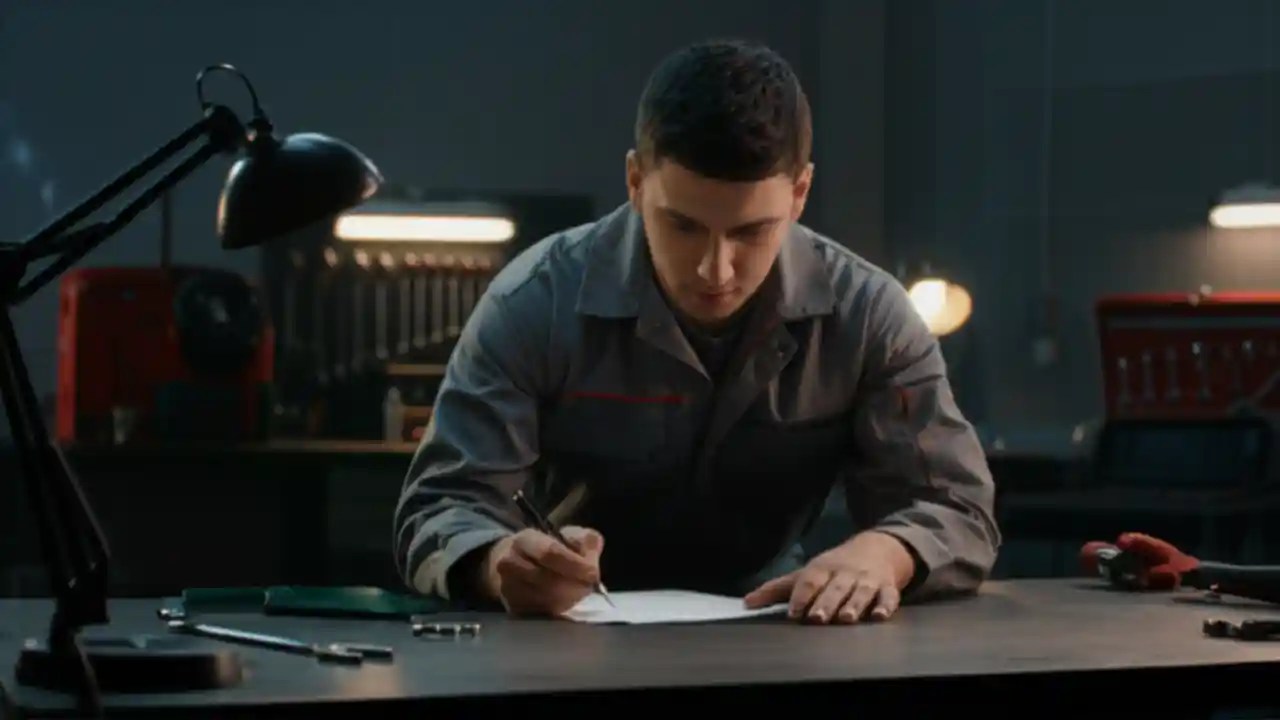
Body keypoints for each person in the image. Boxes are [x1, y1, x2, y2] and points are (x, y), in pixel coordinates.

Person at [392, 38, 1000, 625]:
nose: (717, 270)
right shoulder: (536, 302)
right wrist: (498, 565)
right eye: (683, 227)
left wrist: (883, 556)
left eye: (751, 232)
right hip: (565, 630)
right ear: (635, 182)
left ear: (800, 194)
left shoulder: (869, 316)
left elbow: (957, 506)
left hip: (774, 629)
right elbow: (442, 505)